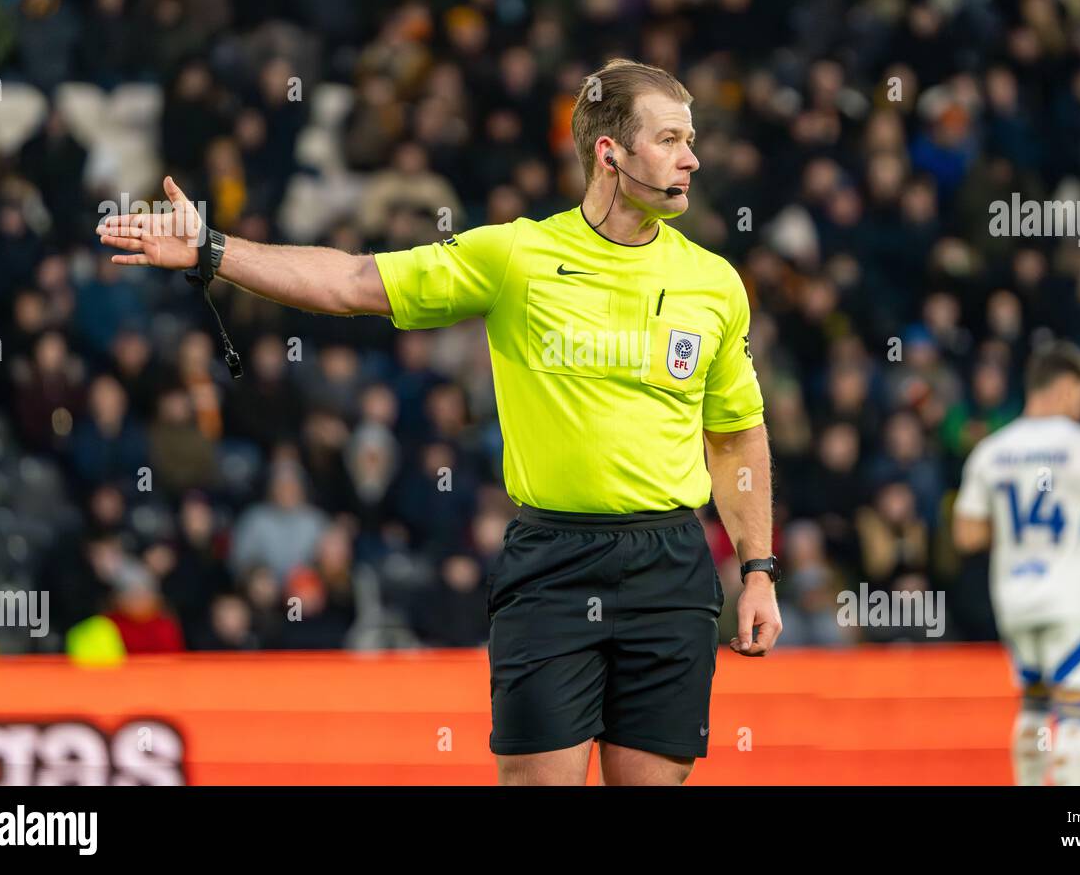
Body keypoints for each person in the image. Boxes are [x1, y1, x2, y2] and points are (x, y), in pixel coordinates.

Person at [98, 58, 779, 786]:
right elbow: (357, 281)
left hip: (668, 567)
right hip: (554, 560)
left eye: (691, 138)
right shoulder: (517, 256)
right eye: (671, 138)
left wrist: (759, 570)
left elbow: (735, 434)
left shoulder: (713, 283)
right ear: (610, 154)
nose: (692, 157)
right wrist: (213, 250)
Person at [952, 342, 1080, 786]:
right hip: (1071, 596)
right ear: (1069, 388)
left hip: (1015, 596)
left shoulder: (993, 450)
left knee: (1033, 704)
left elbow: (966, 534)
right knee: (1073, 714)